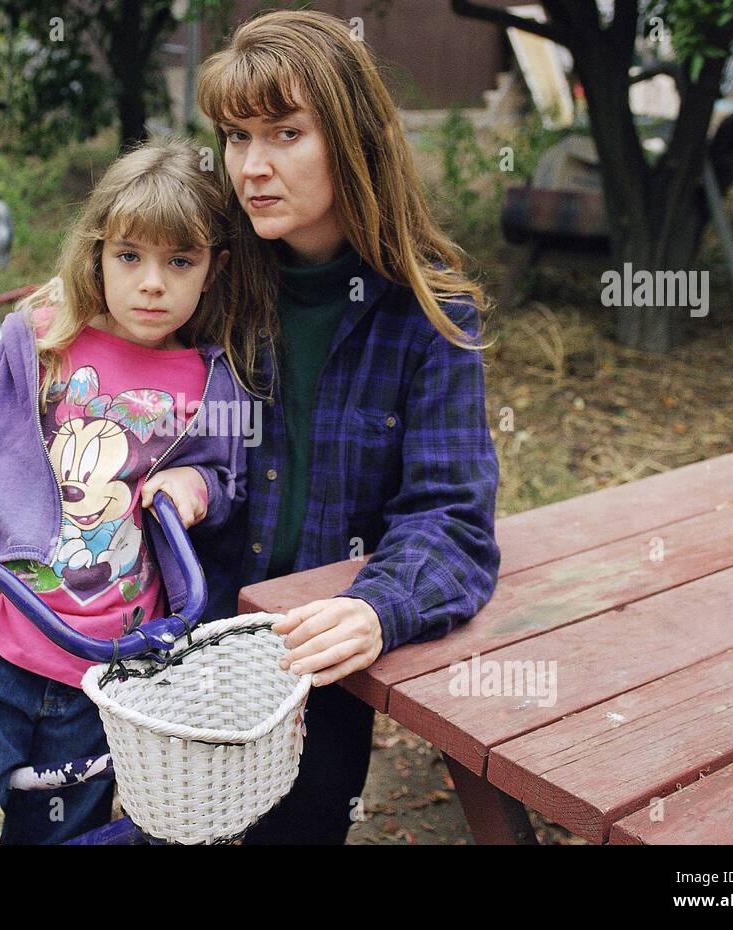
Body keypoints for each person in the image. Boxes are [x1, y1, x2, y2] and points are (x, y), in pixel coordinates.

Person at [0, 137, 254, 844]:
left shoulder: (211, 379)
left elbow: (230, 479)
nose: (152, 283)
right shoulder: (42, 340)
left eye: (179, 261)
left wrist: (199, 485)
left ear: (213, 269)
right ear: (98, 252)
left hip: (106, 666)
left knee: (61, 835)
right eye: (130, 256)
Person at [191, 9, 502, 844]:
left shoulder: (429, 319)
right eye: (234, 136)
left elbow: (452, 518)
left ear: (353, 140)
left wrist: (377, 608)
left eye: (285, 133)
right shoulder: (203, 288)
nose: (251, 167)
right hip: (186, 640)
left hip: (314, 668)